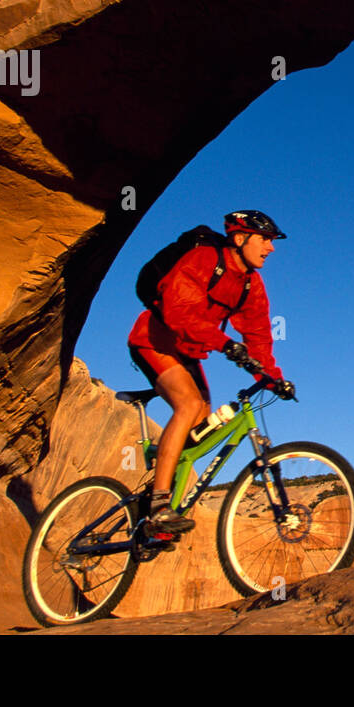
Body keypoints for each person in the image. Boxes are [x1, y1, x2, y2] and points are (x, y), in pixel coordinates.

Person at [126, 210, 295, 535]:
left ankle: (159, 511)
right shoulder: (204, 259)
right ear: (241, 237)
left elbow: (259, 337)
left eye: (272, 242)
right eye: (265, 239)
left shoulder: (251, 285)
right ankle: (159, 505)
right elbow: (179, 313)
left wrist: (273, 378)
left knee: (201, 418)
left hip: (186, 350)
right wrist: (225, 343)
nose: (271, 248)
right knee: (188, 405)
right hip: (154, 340)